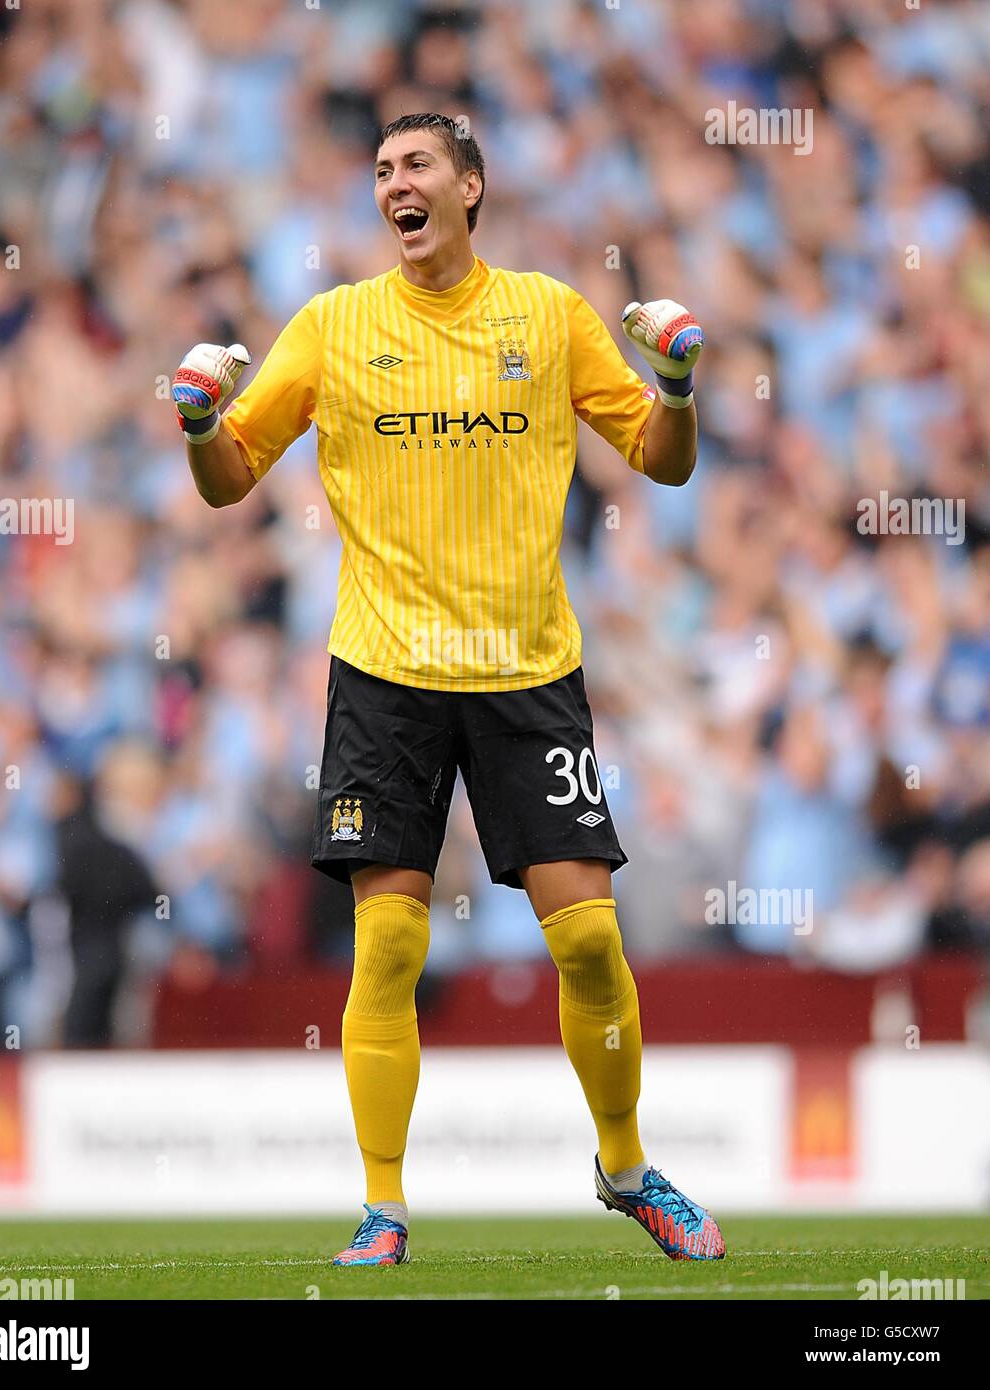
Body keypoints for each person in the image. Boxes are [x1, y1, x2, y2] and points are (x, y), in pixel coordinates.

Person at [172, 113, 724, 1265]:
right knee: (385, 951)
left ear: (469, 186)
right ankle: (383, 1208)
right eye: (379, 171)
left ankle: (624, 1168)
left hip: (528, 671)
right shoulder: (333, 326)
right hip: (385, 675)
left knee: (584, 941)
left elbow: (661, 460)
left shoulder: (549, 313)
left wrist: (672, 386)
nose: (394, 184)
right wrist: (196, 421)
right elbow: (229, 483)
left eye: (416, 165)